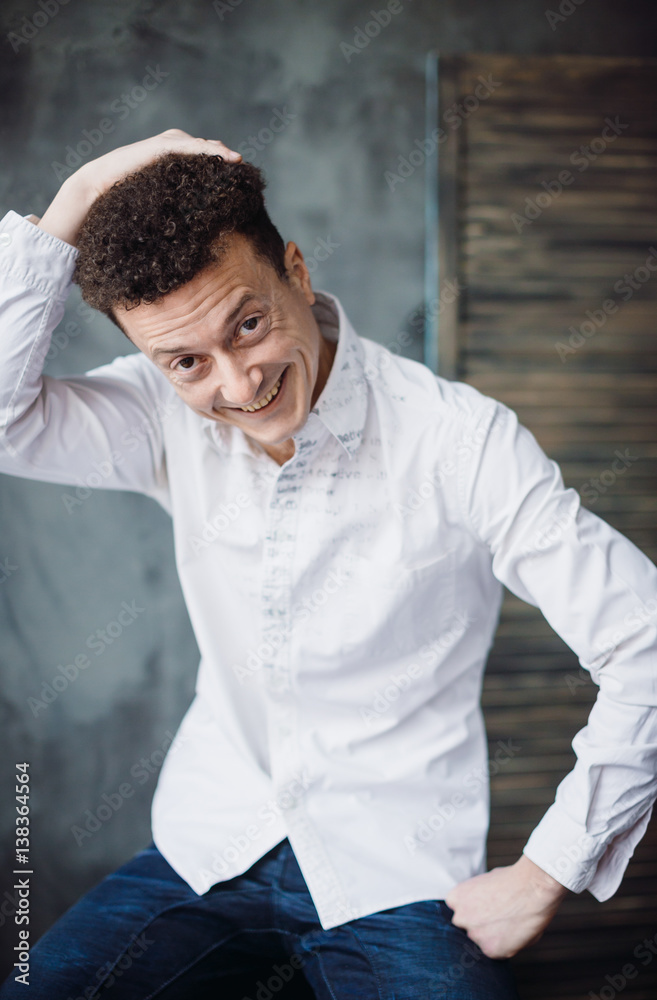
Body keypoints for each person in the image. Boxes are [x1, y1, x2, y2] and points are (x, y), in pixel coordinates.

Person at [0, 128, 655, 1000]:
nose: (238, 385)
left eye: (250, 324)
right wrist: (75, 196)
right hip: (209, 845)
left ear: (297, 273)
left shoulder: (459, 440)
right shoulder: (161, 415)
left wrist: (549, 869)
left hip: (398, 873)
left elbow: (643, 642)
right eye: (187, 362)